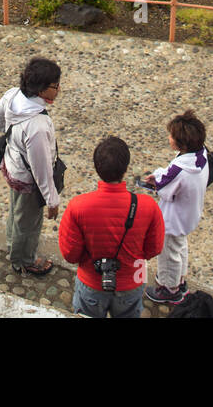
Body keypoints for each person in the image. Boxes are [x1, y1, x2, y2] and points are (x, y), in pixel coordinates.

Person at [58, 136, 164, 318]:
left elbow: (70, 254)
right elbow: (154, 248)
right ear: (125, 168)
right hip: (132, 280)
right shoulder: (148, 205)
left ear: (97, 168)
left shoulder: (78, 206)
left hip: (92, 281)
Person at [0, 57, 63, 278]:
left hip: (12, 164)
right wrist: (52, 200)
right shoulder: (37, 127)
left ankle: (13, 245)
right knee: (28, 221)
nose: (58, 90)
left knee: (16, 212)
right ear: (40, 90)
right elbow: (41, 169)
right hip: (27, 178)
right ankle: (23, 260)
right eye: (55, 86)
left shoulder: (13, 95)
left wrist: (14, 136)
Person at [142, 110, 210, 305]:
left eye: (172, 136)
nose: (169, 138)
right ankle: (179, 281)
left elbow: (164, 190)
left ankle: (169, 289)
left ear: (182, 143)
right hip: (188, 214)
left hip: (172, 219)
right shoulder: (201, 156)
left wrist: (155, 180)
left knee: (168, 253)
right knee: (180, 247)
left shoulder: (179, 170)